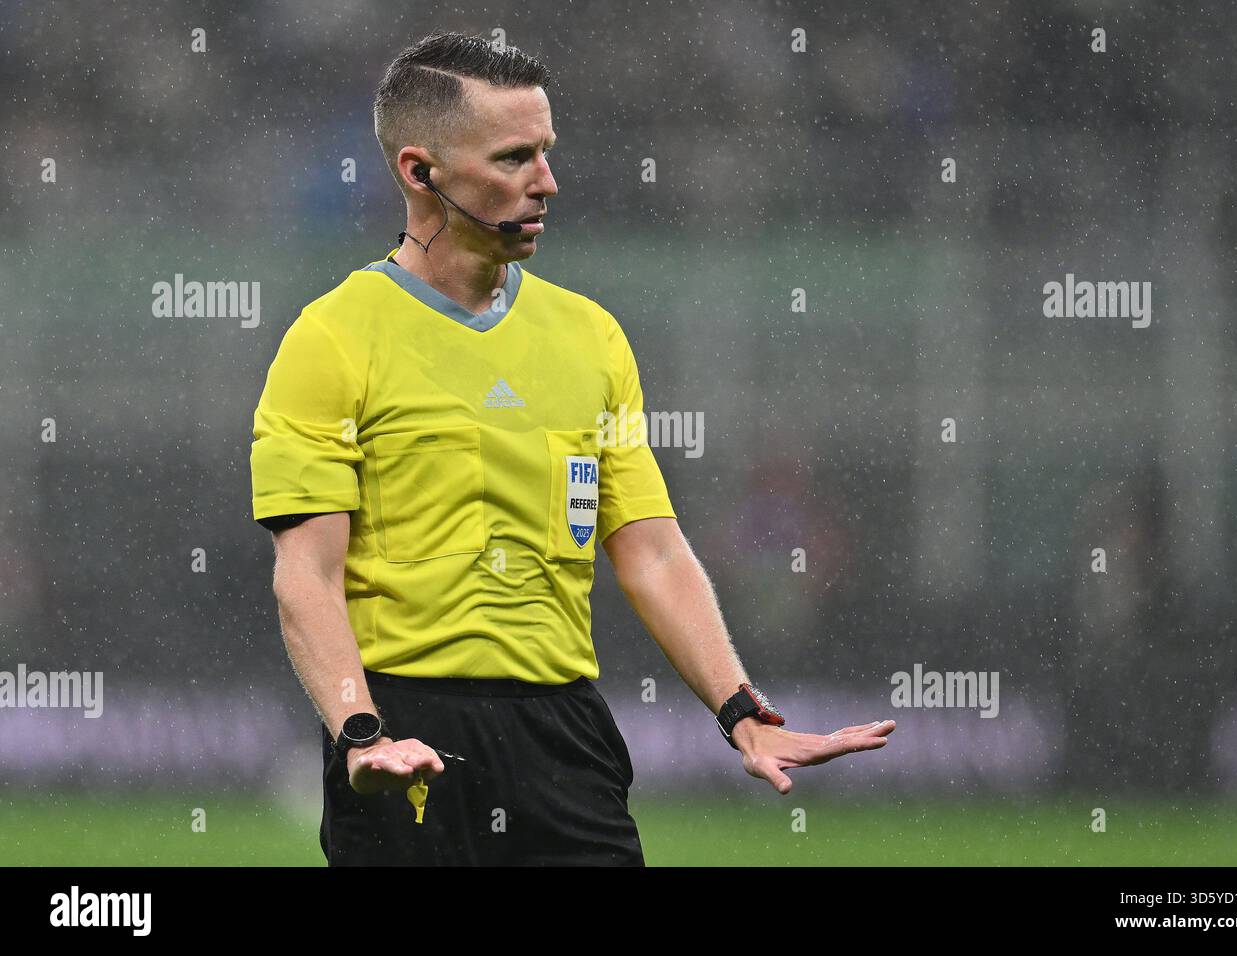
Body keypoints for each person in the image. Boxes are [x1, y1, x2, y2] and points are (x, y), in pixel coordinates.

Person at [249, 31, 895, 867]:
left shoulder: (592, 339)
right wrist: (359, 730)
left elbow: (653, 552)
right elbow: (308, 574)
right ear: (421, 171)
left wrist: (741, 711)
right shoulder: (331, 339)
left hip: (565, 740)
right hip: (404, 743)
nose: (546, 182)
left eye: (546, 153)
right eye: (514, 157)